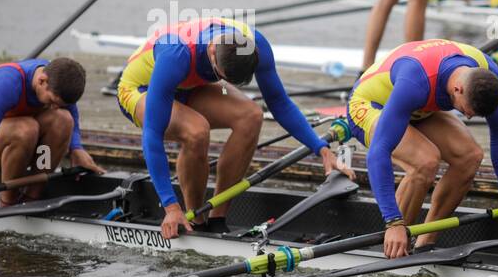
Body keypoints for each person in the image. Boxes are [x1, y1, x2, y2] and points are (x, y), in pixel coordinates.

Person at [118, 17, 353, 238]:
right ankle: (196, 220)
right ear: (212, 53)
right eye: (225, 78)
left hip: (187, 85)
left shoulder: (254, 42)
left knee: (250, 116)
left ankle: (217, 219)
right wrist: (170, 206)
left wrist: (321, 149)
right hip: (141, 89)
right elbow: (152, 135)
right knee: (196, 130)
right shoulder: (174, 54)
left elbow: (279, 102)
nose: (228, 85)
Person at [347, 38, 498, 259]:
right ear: (458, 89)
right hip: (371, 106)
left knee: (470, 156)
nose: (467, 116)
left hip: (418, 106)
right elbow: (378, 154)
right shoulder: (414, 80)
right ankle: (394, 244)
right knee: (425, 161)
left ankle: (426, 243)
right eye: (466, 110)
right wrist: (393, 221)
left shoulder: (488, 74)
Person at [0, 57, 103, 206]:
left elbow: (72, 115)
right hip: (1, 146)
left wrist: (76, 149)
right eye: (52, 101)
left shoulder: (60, 81)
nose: (53, 107)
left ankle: (31, 197)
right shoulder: (7, 83)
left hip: (22, 147)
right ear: (41, 81)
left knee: (63, 120)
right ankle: (7, 202)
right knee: (26, 128)